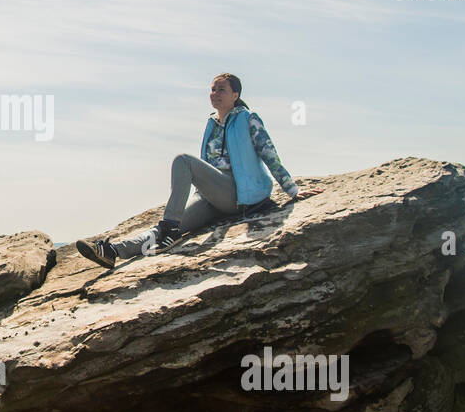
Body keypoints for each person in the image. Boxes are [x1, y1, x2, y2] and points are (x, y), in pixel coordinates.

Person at [76, 73, 322, 267]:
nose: (215, 93)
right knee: (164, 229)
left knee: (183, 161)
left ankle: (169, 228)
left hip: (238, 193)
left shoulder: (248, 119)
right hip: (212, 196)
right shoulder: (211, 123)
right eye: (213, 89)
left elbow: (269, 153)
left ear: (235, 94)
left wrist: (292, 190)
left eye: (221, 89)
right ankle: (113, 251)